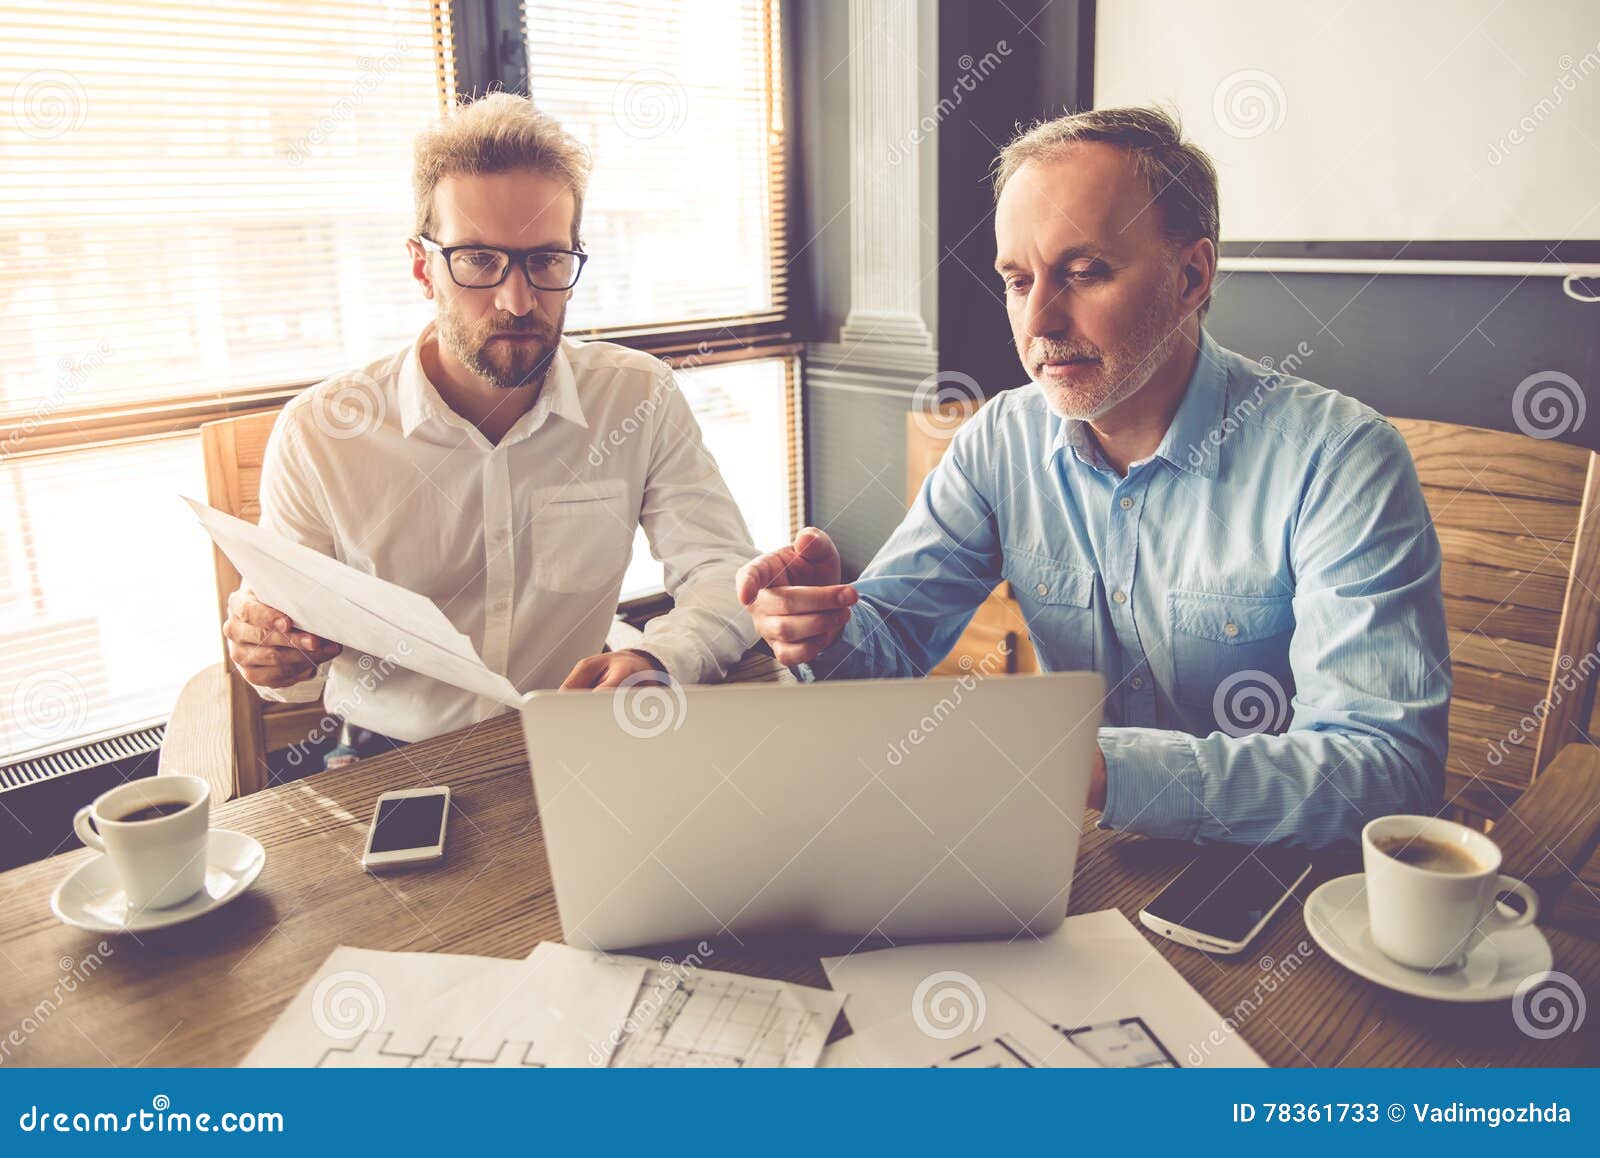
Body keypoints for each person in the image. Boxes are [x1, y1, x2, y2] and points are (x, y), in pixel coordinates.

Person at [737, 107, 1449, 849]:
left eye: (1084, 273)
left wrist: (1100, 769)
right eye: (1018, 281)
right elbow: (887, 644)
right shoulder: (999, 442)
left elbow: (1387, 773)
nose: (1039, 322)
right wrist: (825, 628)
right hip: (1082, 853)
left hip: (1282, 881)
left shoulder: (1339, 461)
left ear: (1192, 277)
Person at [223, 94, 757, 766]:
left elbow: (723, 570)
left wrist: (661, 657)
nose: (517, 300)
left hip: (580, 736)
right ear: (423, 268)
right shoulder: (319, 435)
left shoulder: (637, 397)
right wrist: (272, 654)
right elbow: (288, 676)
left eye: (547, 260)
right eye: (478, 259)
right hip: (388, 758)